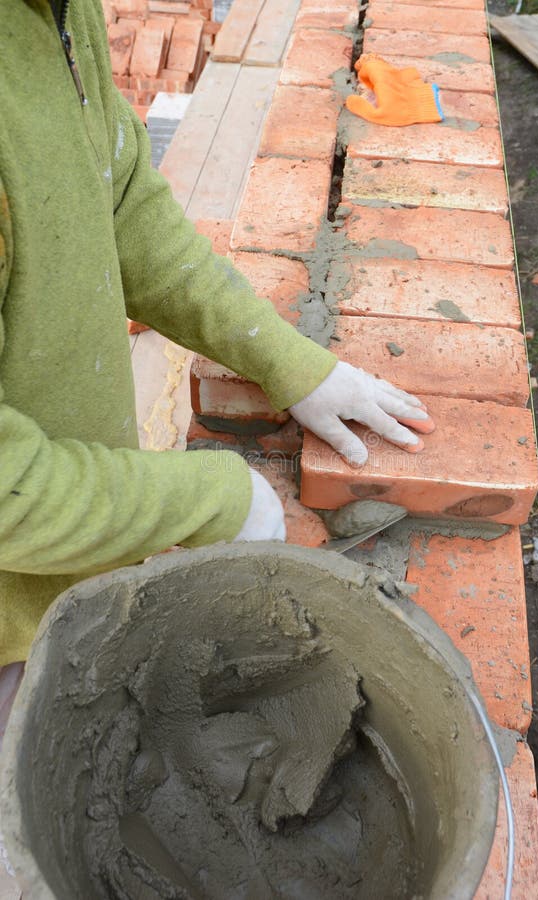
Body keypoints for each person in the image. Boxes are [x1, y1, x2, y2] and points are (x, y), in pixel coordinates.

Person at [0, 0, 433, 671]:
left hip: (66, 562)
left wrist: (287, 360)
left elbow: (124, 211)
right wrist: (215, 499)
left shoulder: (54, 12)